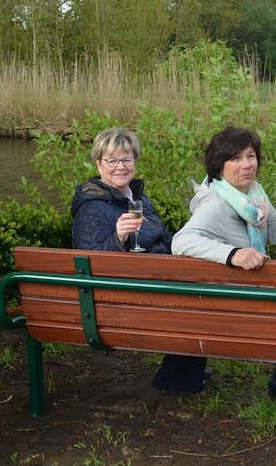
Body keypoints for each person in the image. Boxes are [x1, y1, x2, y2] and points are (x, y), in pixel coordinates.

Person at [171, 126, 276, 410]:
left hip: (250, 291)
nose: (247, 165)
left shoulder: (253, 196)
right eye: (236, 159)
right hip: (233, 302)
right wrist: (232, 254)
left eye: (251, 156)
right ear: (219, 166)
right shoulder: (216, 204)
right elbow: (181, 241)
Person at [70, 128, 207, 393]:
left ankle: (183, 370)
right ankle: (175, 379)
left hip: (155, 282)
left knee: (201, 288)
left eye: (127, 160)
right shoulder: (91, 208)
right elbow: (91, 265)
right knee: (195, 305)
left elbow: (165, 240)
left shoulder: (138, 198)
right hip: (124, 298)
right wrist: (117, 239)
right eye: (112, 160)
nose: (120, 167)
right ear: (99, 163)